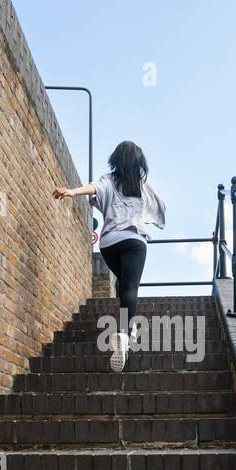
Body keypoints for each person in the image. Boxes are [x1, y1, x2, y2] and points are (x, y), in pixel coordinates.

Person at [52, 140, 166, 371]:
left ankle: (125, 326)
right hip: (134, 240)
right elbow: (161, 205)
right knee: (131, 286)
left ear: (116, 159)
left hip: (109, 243)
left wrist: (72, 191)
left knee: (123, 283)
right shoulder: (144, 183)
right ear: (139, 161)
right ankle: (126, 332)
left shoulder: (109, 179)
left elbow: (93, 188)